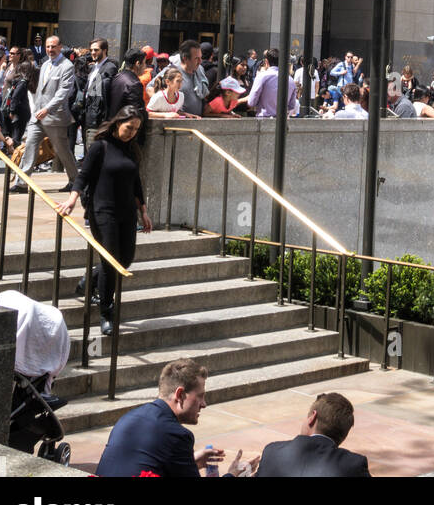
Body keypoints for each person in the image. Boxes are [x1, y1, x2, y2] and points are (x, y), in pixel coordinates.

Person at [58, 105, 152, 335]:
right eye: (129, 127)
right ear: (118, 123)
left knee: (125, 261)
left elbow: (136, 182)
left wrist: (144, 210)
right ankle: (106, 312)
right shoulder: (100, 147)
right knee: (111, 263)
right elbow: (83, 176)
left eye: (136, 129)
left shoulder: (132, 150)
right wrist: (71, 200)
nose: (132, 133)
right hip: (103, 211)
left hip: (127, 212)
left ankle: (89, 279)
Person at [96, 358, 250, 478]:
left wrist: (192, 461)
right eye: (200, 396)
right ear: (180, 395)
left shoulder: (129, 418)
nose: (204, 404)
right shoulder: (177, 435)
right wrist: (233, 474)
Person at [12, 37, 78, 193]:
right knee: (29, 145)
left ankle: (75, 180)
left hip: (55, 117)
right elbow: (40, 90)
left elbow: (63, 93)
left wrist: (47, 109)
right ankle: (22, 183)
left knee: (62, 151)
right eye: (48, 46)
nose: (50, 49)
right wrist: (36, 111)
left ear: (60, 47)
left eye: (53, 46)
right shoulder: (45, 64)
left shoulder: (67, 66)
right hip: (38, 116)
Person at [255, 392, 370, 478]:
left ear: (312, 417)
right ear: (344, 435)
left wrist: (237, 473)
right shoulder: (353, 466)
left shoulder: (272, 453)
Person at [83, 39, 118, 147]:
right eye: (91, 50)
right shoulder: (93, 67)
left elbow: (102, 96)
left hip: (98, 119)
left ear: (104, 50)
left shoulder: (109, 68)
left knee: (94, 151)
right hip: (88, 116)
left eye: (96, 50)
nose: (93, 52)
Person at [248, 47, 296, 118]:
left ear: (266, 62)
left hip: (263, 121)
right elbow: (292, 105)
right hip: (282, 122)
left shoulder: (262, 77)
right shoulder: (291, 80)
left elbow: (251, 102)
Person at [171, 40, 209, 117]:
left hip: (198, 121)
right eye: (196, 58)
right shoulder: (172, 71)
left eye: (201, 58)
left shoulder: (200, 70)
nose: (200, 61)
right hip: (179, 123)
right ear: (185, 58)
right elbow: (150, 88)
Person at [107, 49, 146, 122]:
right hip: (125, 127)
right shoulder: (135, 84)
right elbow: (138, 112)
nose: (145, 67)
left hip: (112, 123)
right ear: (138, 64)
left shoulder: (117, 77)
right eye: (144, 63)